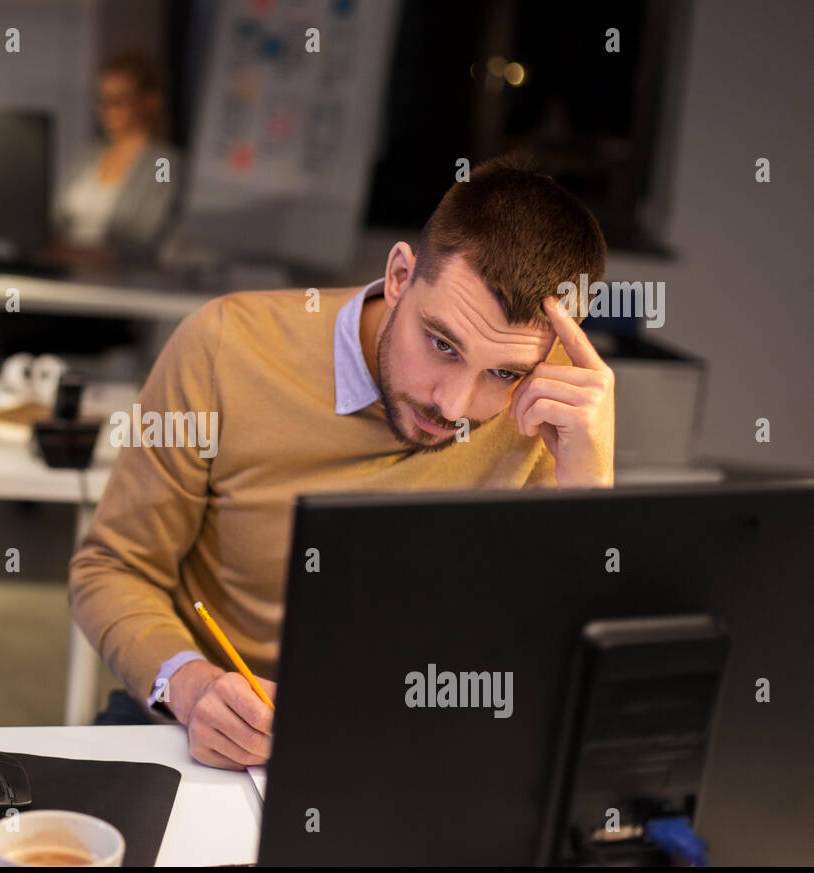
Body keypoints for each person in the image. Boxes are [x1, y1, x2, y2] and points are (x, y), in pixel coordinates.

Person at [70, 157, 615, 765]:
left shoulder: (551, 409)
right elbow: (111, 568)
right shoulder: (225, 347)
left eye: (504, 373)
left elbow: (562, 669)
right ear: (400, 275)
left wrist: (590, 492)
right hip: (207, 721)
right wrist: (190, 686)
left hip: (412, 741)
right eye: (442, 344)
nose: (454, 405)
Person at [51, 53, 183, 267]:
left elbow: (148, 239)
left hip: (122, 276)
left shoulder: (164, 163)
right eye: (102, 101)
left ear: (149, 101)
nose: (108, 111)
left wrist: (86, 255)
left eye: (118, 101)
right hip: (65, 268)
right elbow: (57, 218)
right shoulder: (88, 155)